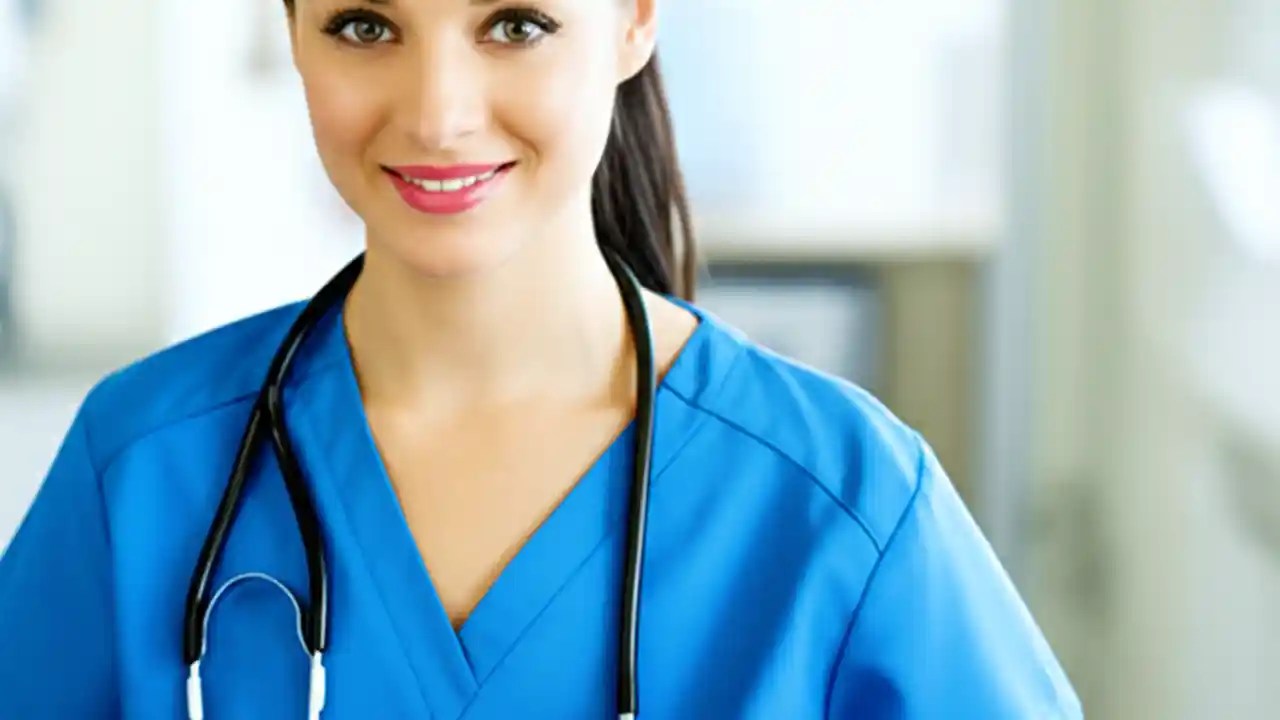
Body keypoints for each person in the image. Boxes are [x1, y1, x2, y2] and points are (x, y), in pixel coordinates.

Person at [0, 0, 1082, 717]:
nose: (436, 112)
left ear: (632, 22)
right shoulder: (142, 470)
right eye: (364, 25)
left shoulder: (837, 510)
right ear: (290, 31)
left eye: (512, 24)